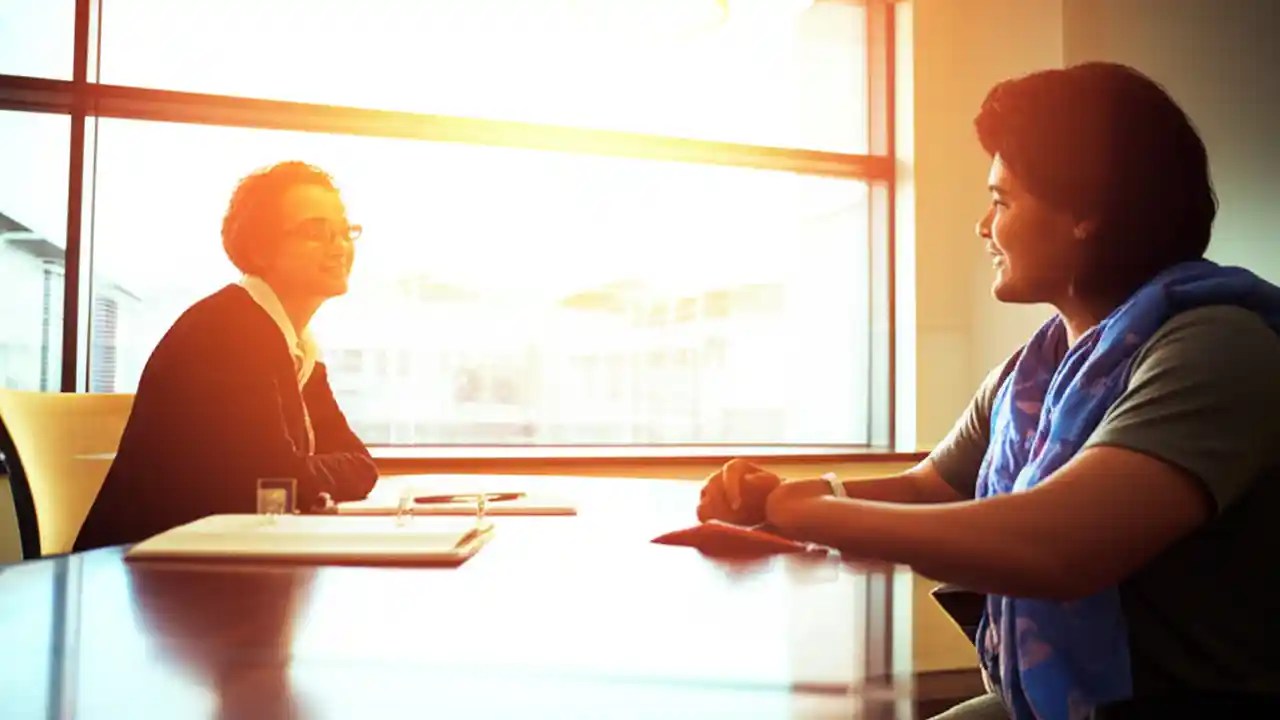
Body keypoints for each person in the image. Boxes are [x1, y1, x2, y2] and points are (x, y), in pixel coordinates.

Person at [697, 63, 1280, 719]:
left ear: (1086, 210)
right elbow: (927, 489)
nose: (984, 226)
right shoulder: (1032, 377)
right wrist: (780, 500)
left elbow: (1061, 548)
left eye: (1002, 201)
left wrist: (817, 516)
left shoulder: (1217, 349)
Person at [75, 161, 377, 551]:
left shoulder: (296, 346)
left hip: (216, 561)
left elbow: (360, 464)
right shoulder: (227, 333)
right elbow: (275, 481)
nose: (339, 246)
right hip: (144, 578)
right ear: (260, 249)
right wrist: (307, 476)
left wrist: (305, 475)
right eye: (317, 232)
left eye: (344, 231)